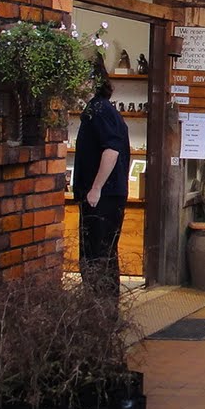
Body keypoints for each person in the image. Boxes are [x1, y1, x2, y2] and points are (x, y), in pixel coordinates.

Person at [73, 79, 130, 296]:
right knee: (100, 255)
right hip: (105, 194)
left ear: (90, 81)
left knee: (98, 256)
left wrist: (96, 187)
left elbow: (112, 150)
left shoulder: (99, 109)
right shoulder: (98, 109)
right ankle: (102, 313)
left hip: (103, 196)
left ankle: (101, 312)